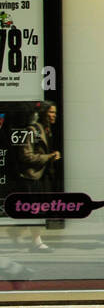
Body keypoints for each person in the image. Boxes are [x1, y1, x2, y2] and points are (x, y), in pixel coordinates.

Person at [16, 102, 60, 251]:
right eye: (51, 112)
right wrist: (49, 157)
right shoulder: (32, 130)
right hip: (32, 177)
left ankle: (28, 238)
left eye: (55, 113)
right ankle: (36, 242)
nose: (54, 115)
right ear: (43, 113)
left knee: (39, 209)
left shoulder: (47, 131)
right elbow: (25, 156)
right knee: (35, 210)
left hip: (42, 176)